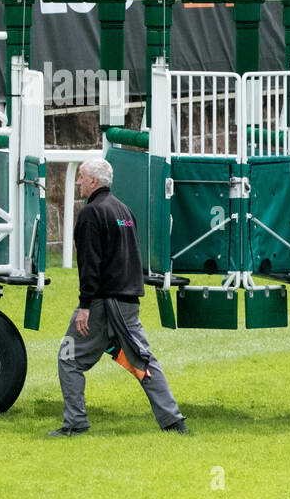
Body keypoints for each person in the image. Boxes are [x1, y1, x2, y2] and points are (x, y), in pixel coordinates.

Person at [50, 158, 187, 437]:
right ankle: (173, 422)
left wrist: (85, 306)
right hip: (127, 302)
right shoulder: (124, 210)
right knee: (141, 359)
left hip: (104, 303)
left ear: (93, 181)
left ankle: (75, 424)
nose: (77, 182)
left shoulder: (92, 213)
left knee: (69, 358)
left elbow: (91, 264)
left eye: (81, 176)